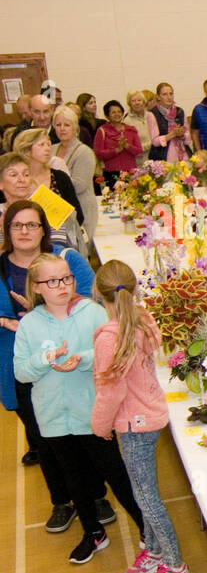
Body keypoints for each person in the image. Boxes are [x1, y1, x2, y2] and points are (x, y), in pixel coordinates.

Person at [14, 253, 146, 564]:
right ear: (36, 287)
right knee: (73, 477)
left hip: (92, 415)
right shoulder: (30, 324)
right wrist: (45, 360)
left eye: (67, 278)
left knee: (114, 472)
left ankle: (145, 526)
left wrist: (82, 359)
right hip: (52, 416)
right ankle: (93, 532)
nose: (62, 286)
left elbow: (112, 351)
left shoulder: (92, 313)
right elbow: (21, 372)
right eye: (52, 281)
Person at [0, 200, 110, 531]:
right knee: (44, 439)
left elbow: (93, 294)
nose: (25, 232)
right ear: (7, 231)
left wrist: (50, 305)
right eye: (17, 225)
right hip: (20, 364)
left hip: (75, 359)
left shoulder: (65, 258)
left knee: (86, 432)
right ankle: (62, 501)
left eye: (32, 225)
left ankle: (96, 495)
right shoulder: (1, 267)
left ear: (44, 229)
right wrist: (10, 323)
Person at [90, 260, 190, 573]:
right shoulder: (142, 320)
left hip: (133, 424)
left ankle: (175, 564)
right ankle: (155, 548)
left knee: (146, 496)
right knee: (142, 489)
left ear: (97, 294)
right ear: (134, 290)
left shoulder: (109, 338)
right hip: (149, 414)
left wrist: (99, 425)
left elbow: (111, 389)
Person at [13, 129, 83, 228]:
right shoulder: (15, 180)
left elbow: (78, 216)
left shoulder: (60, 177)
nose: (47, 149)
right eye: (41, 145)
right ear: (26, 150)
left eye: (49, 144)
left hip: (58, 237)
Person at [52, 106, 97, 245]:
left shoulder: (85, 152)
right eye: (58, 125)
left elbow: (79, 186)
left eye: (67, 124)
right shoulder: (52, 149)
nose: (62, 129)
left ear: (75, 127)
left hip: (81, 209)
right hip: (57, 212)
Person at [146, 82, 190, 163]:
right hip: (164, 157)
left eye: (171, 94)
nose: (169, 97)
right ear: (158, 97)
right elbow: (155, 141)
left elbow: (188, 137)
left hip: (182, 155)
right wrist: (173, 134)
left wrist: (182, 134)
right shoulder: (152, 114)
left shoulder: (180, 111)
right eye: (165, 94)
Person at [123, 91, 151, 169]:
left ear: (144, 102)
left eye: (139, 100)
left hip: (155, 157)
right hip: (139, 161)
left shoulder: (150, 116)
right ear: (129, 104)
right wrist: (150, 145)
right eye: (133, 101)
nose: (137, 103)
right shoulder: (127, 121)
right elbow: (130, 146)